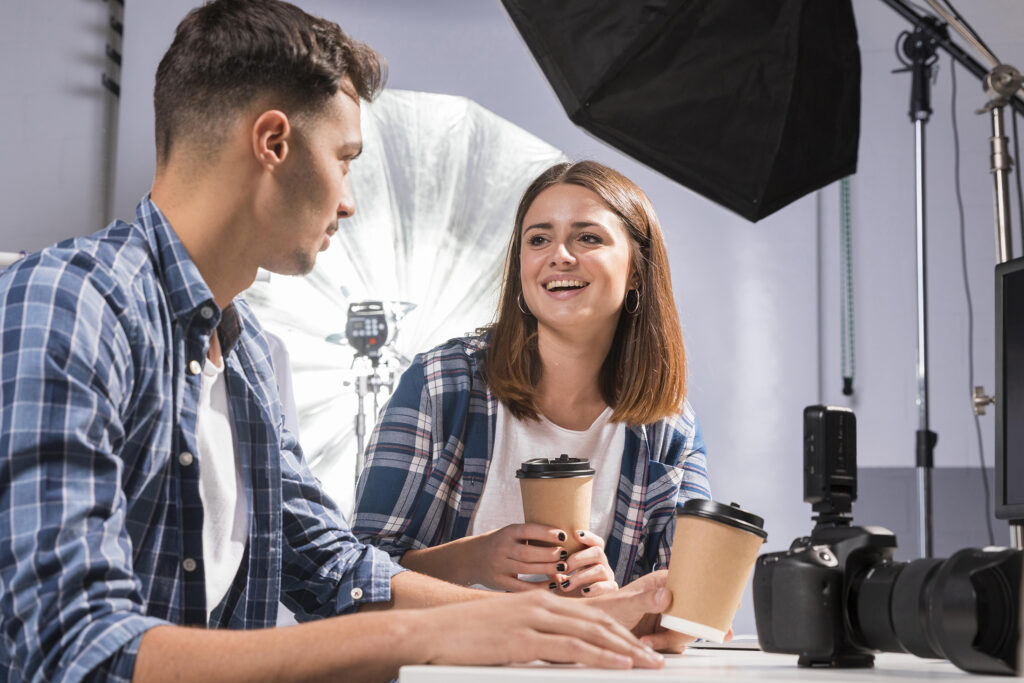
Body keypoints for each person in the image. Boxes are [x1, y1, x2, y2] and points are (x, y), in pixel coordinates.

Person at [0, 2, 677, 680]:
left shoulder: (249, 357)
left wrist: (550, 625)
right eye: (344, 158)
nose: (348, 200)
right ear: (273, 142)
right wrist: (444, 627)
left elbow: (330, 565)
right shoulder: (70, 301)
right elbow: (73, 645)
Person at [353, 162, 710, 611]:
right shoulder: (441, 383)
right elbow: (354, 574)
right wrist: (473, 561)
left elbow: (689, 608)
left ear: (638, 270)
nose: (559, 254)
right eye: (538, 239)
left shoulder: (668, 427)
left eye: (588, 237)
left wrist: (613, 602)